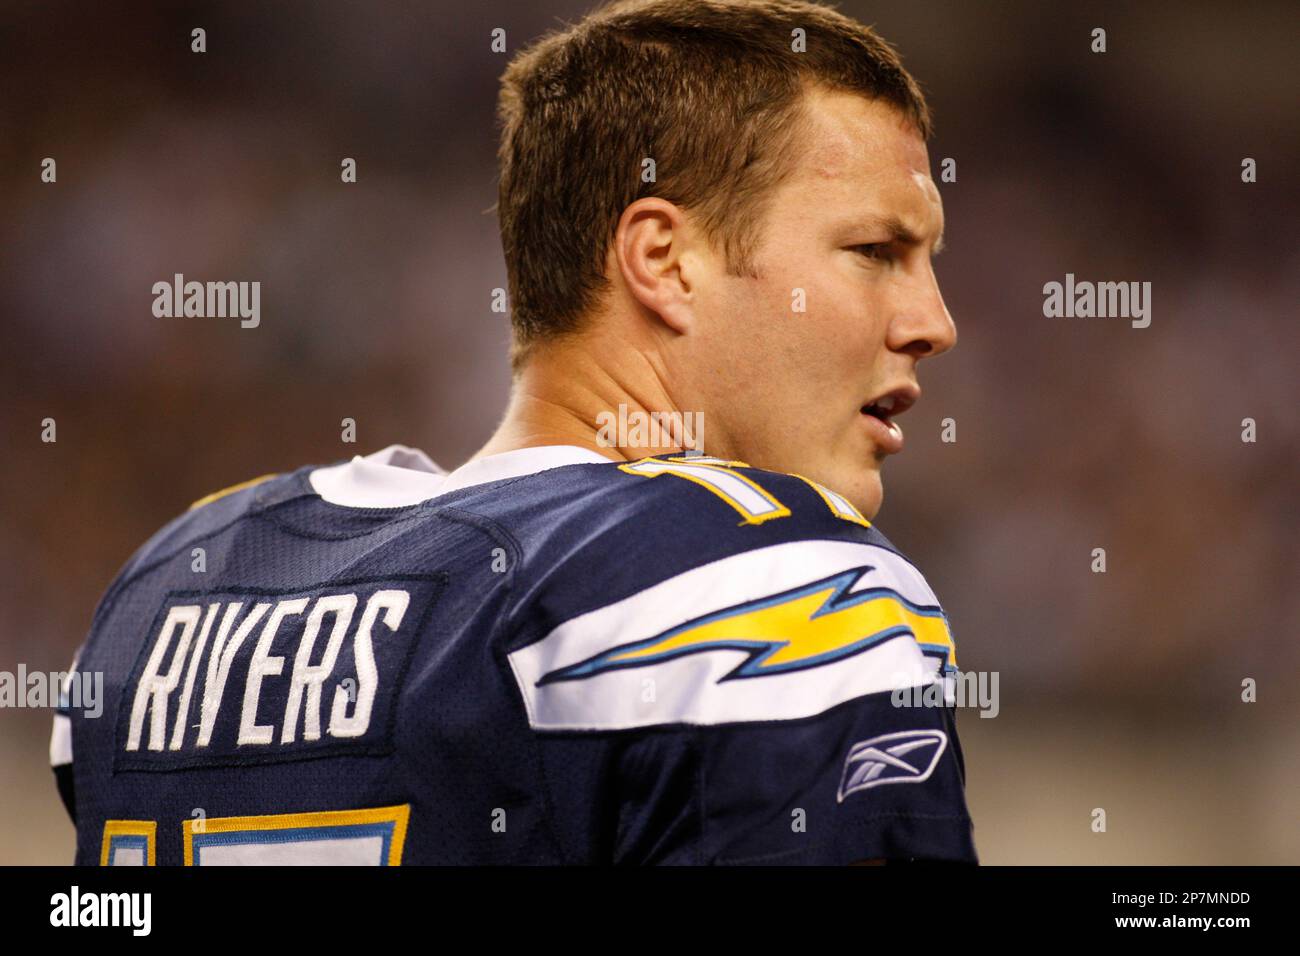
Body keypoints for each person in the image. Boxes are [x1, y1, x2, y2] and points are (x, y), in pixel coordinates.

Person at [53, 0, 972, 865]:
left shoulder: (173, 587)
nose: (934, 321)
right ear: (665, 261)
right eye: (875, 253)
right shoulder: (771, 580)